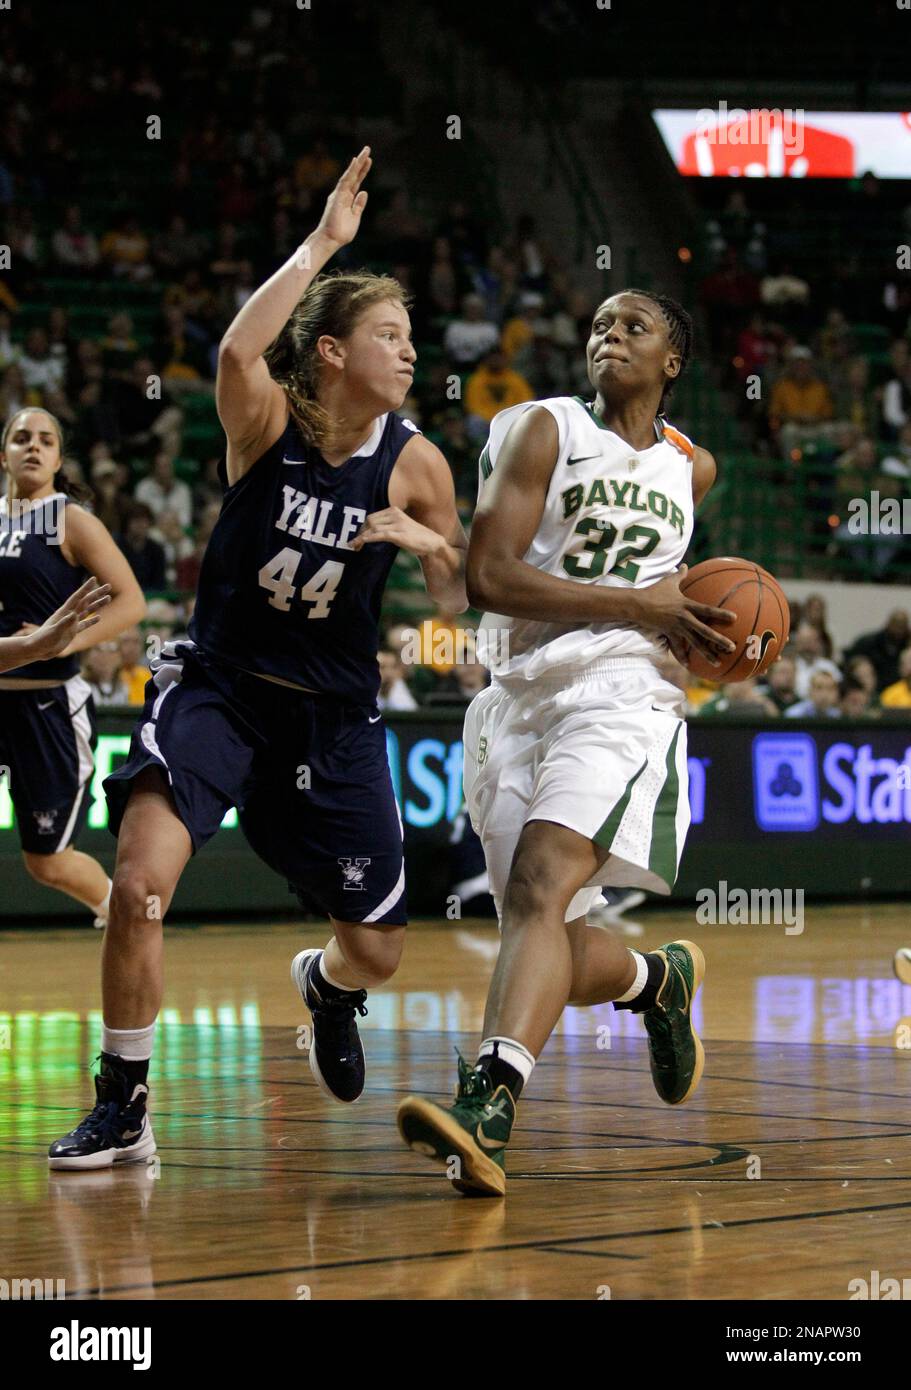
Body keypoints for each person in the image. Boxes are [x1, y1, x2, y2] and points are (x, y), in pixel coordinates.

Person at [48, 147, 468, 1170]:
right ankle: (126, 1102)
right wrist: (323, 242)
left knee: (377, 947)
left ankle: (325, 987)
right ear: (328, 350)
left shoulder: (416, 464)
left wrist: (435, 555)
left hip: (331, 718)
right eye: (387, 334)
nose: (409, 353)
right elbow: (240, 350)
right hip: (221, 690)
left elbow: (459, 606)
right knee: (141, 882)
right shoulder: (266, 417)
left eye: (412, 337)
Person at [397, 288, 736, 1195]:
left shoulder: (692, 469)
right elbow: (488, 576)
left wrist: (704, 633)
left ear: (672, 362)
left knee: (543, 879)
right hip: (516, 694)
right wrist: (643, 604)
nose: (609, 335)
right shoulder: (538, 429)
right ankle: (651, 982)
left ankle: (488, 1104)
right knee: (535, 925)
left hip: (624, 692)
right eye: (599, 324)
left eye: (635, 326)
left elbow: (673, 597)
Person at [0, 408, 145, 927]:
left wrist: (58, 644)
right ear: (4, 455)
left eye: (45, 440)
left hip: (45, 706)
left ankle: (120, 914)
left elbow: (130, 601)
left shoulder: (69, 519)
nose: (33, 447)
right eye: (21, 438)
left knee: (47, 861)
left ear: (58, 458)